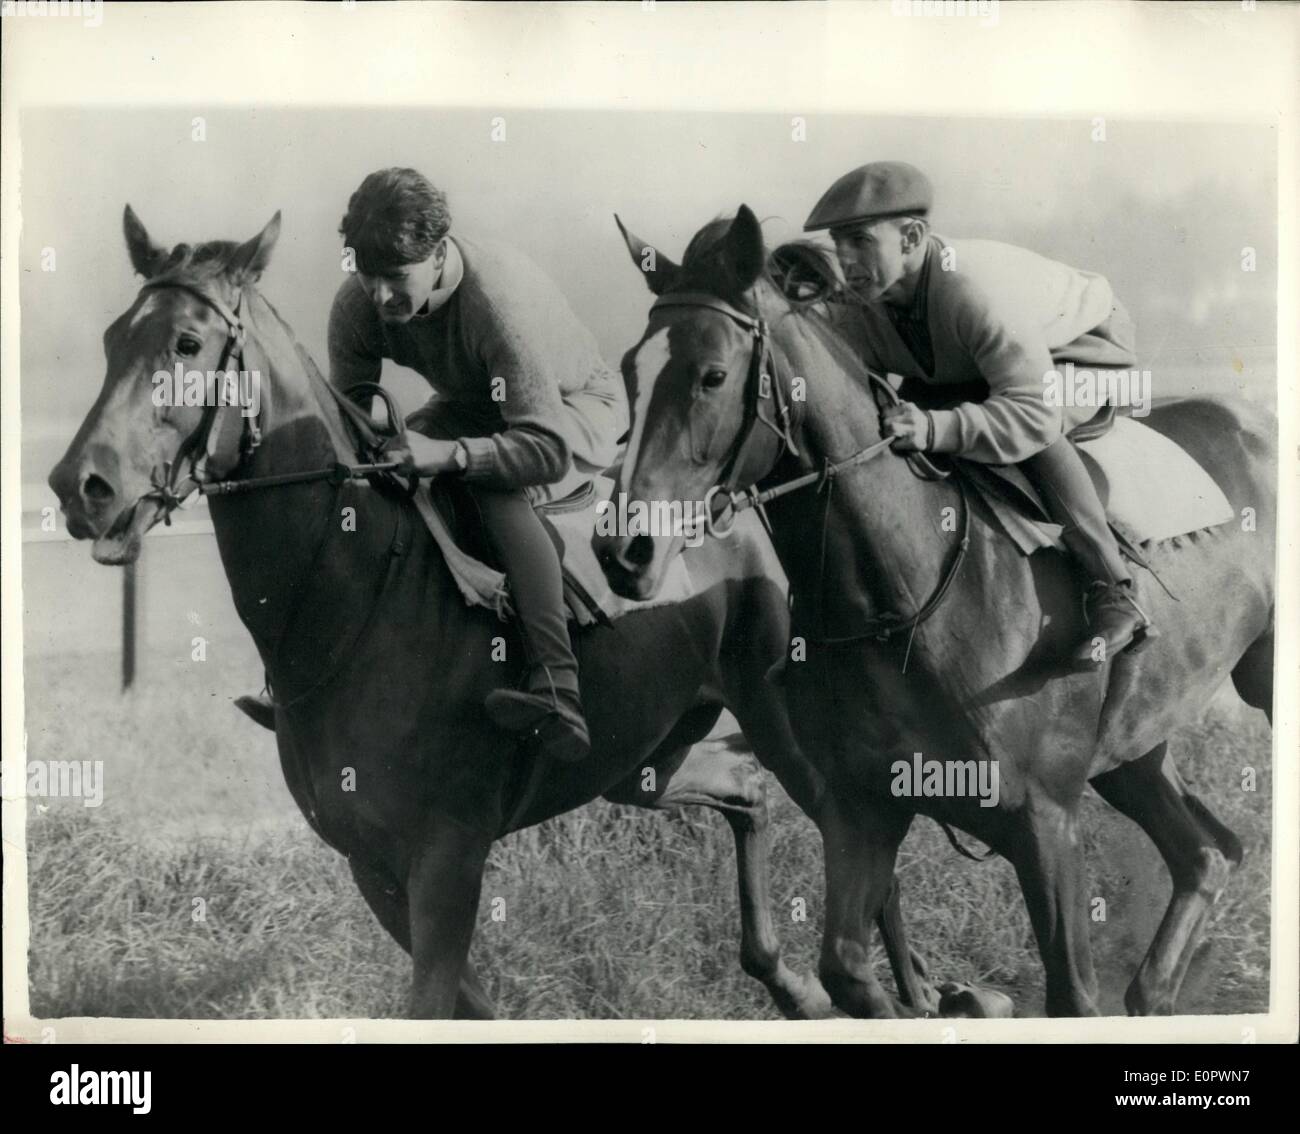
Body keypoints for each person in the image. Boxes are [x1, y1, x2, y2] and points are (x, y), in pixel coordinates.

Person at [240, 168, 627, 760]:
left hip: (572, 409)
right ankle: (305, 675)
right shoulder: (357, 304)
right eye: (367, 277)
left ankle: (558, 683)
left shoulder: (496, 303)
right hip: (472, 405)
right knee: (374, 473)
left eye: (396, 278)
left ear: (439, 253)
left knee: (489, 487)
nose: (379, 296)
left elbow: (544, 450)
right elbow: (352, 430)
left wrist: (449, 455)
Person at [804, 160, 1155, 666]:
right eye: (838, 243)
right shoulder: (865, 298)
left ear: (912, 238)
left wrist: (934, 427)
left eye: (860, 241)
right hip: (970, 360)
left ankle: (1115, 590)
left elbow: (1032, 413)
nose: (844, 259)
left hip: (1080, 347)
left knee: (1037, 437)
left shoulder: (972, 288)